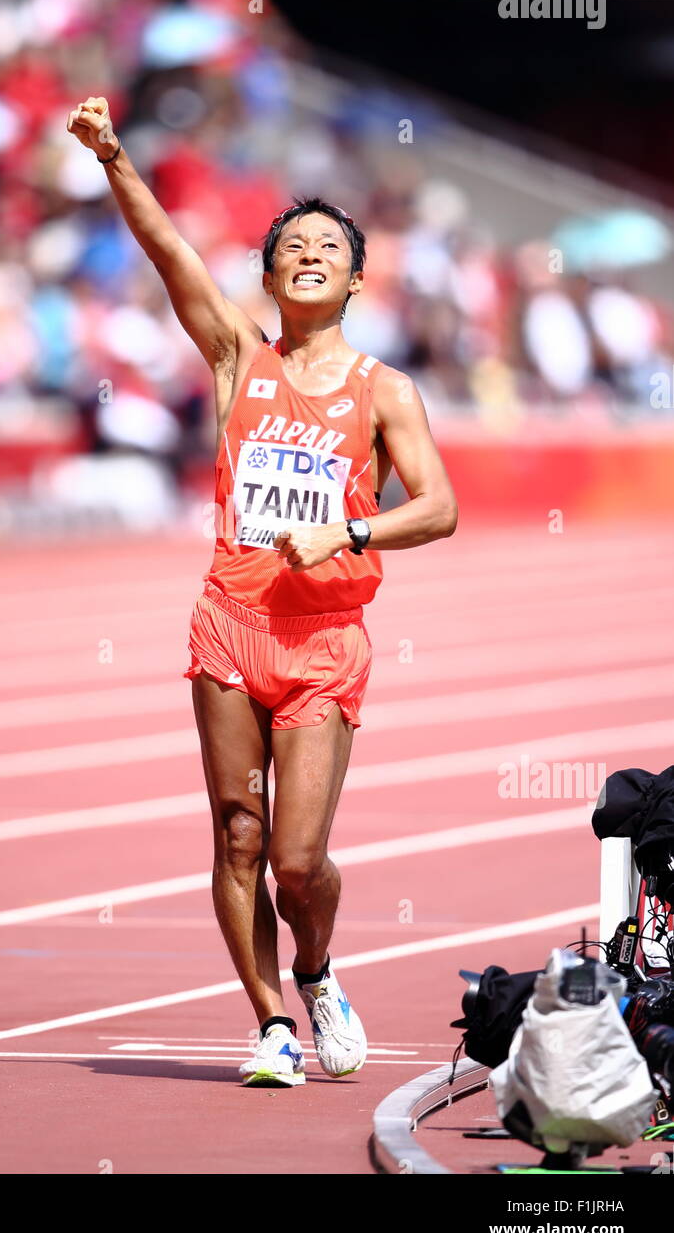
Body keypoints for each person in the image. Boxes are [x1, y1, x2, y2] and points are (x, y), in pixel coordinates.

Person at [67, 98, 458, 1088]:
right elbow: (166, 252)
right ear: (272, 272)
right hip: (229, 628)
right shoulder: (241, 357)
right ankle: (273, 1021)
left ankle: (318, 969)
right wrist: (115, 158)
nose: (309, 252)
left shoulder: (385, 390)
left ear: (358, 277)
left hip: (325, 640)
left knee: (296, 861)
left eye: (330, 244)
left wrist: (349, 528)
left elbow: (441, 507)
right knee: (237, 832)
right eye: (292, 244)